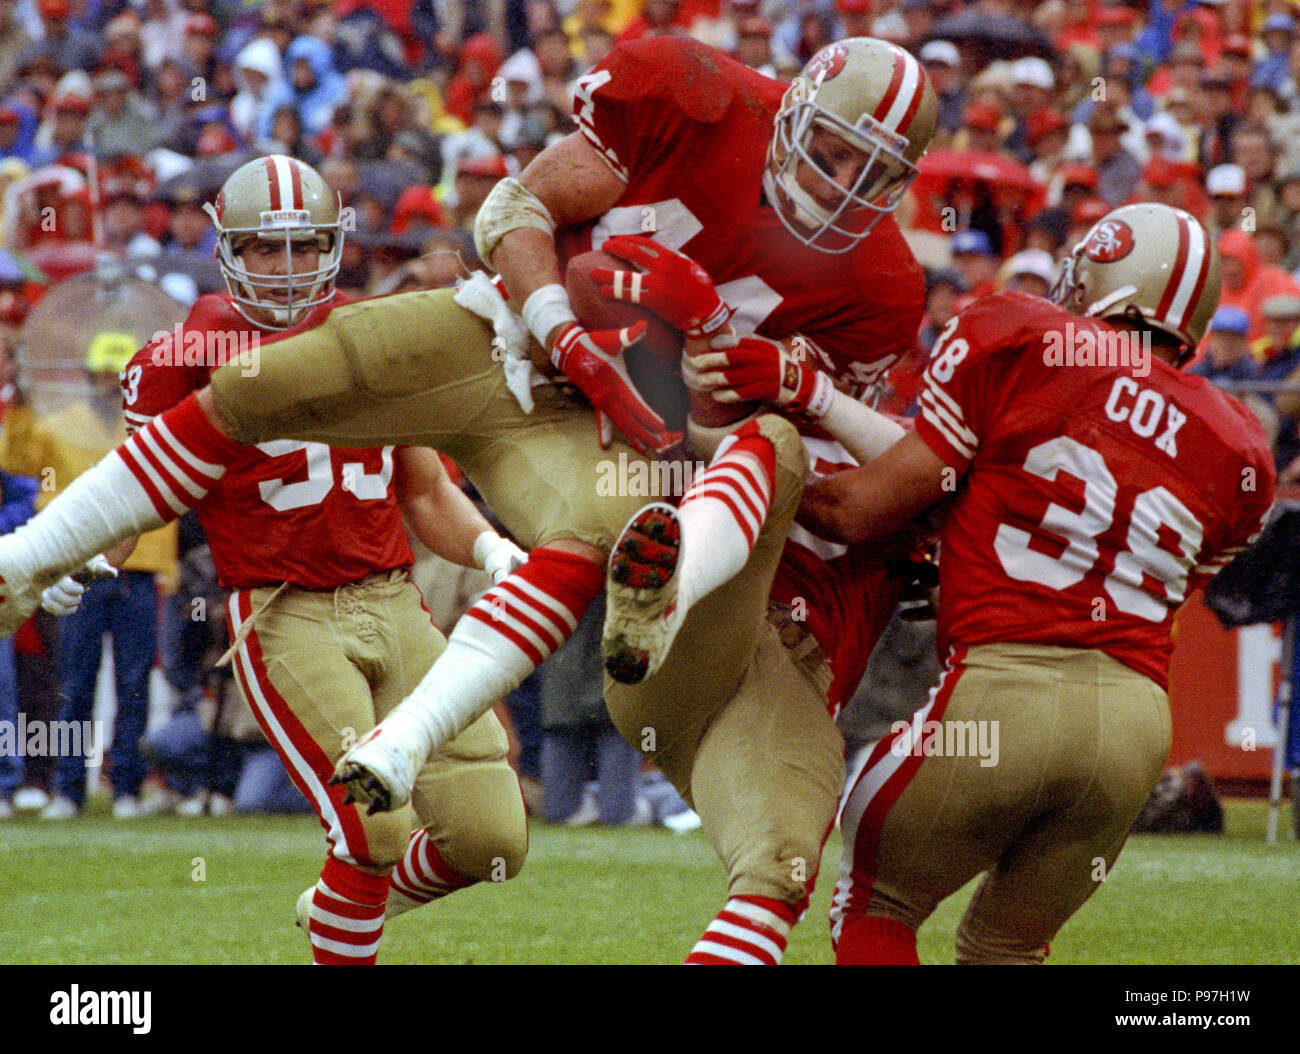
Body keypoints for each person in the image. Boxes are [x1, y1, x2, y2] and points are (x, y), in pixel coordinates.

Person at [0, 36, 937, 959]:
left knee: (520, 747)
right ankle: (20, 558)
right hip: (501, 347)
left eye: (873, 170)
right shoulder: (691, 90)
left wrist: (746, 381)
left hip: (596, 444)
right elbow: (514, 207)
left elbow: (820, 466)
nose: (840, 183)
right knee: (264, 385)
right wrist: (562, 328)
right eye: (832, 151)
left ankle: (415, 747)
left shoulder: (882, 287)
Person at [797, 203, 1276, 964]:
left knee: (876, 902)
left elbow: (852, 512)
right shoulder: (1237, 441)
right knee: (1005, 952)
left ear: (1110, 284)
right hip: (1132, 729)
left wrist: (750, 469)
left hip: (1005, 691)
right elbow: (1141, 576)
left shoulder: (1023, 338)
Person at [110, 155, 528, 964]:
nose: (288, 264)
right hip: (283, 610)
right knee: (374, 827)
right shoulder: (186, 354)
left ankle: (341, 903)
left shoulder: (372, 334)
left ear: (334, 245)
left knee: (490, 838)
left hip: (395, 601)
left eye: (305, 244)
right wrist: (74, 562)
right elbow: (131, 496)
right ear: (229, 250)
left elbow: (424, 490)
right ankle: (353, 895)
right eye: (266, 248)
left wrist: (491, 548)